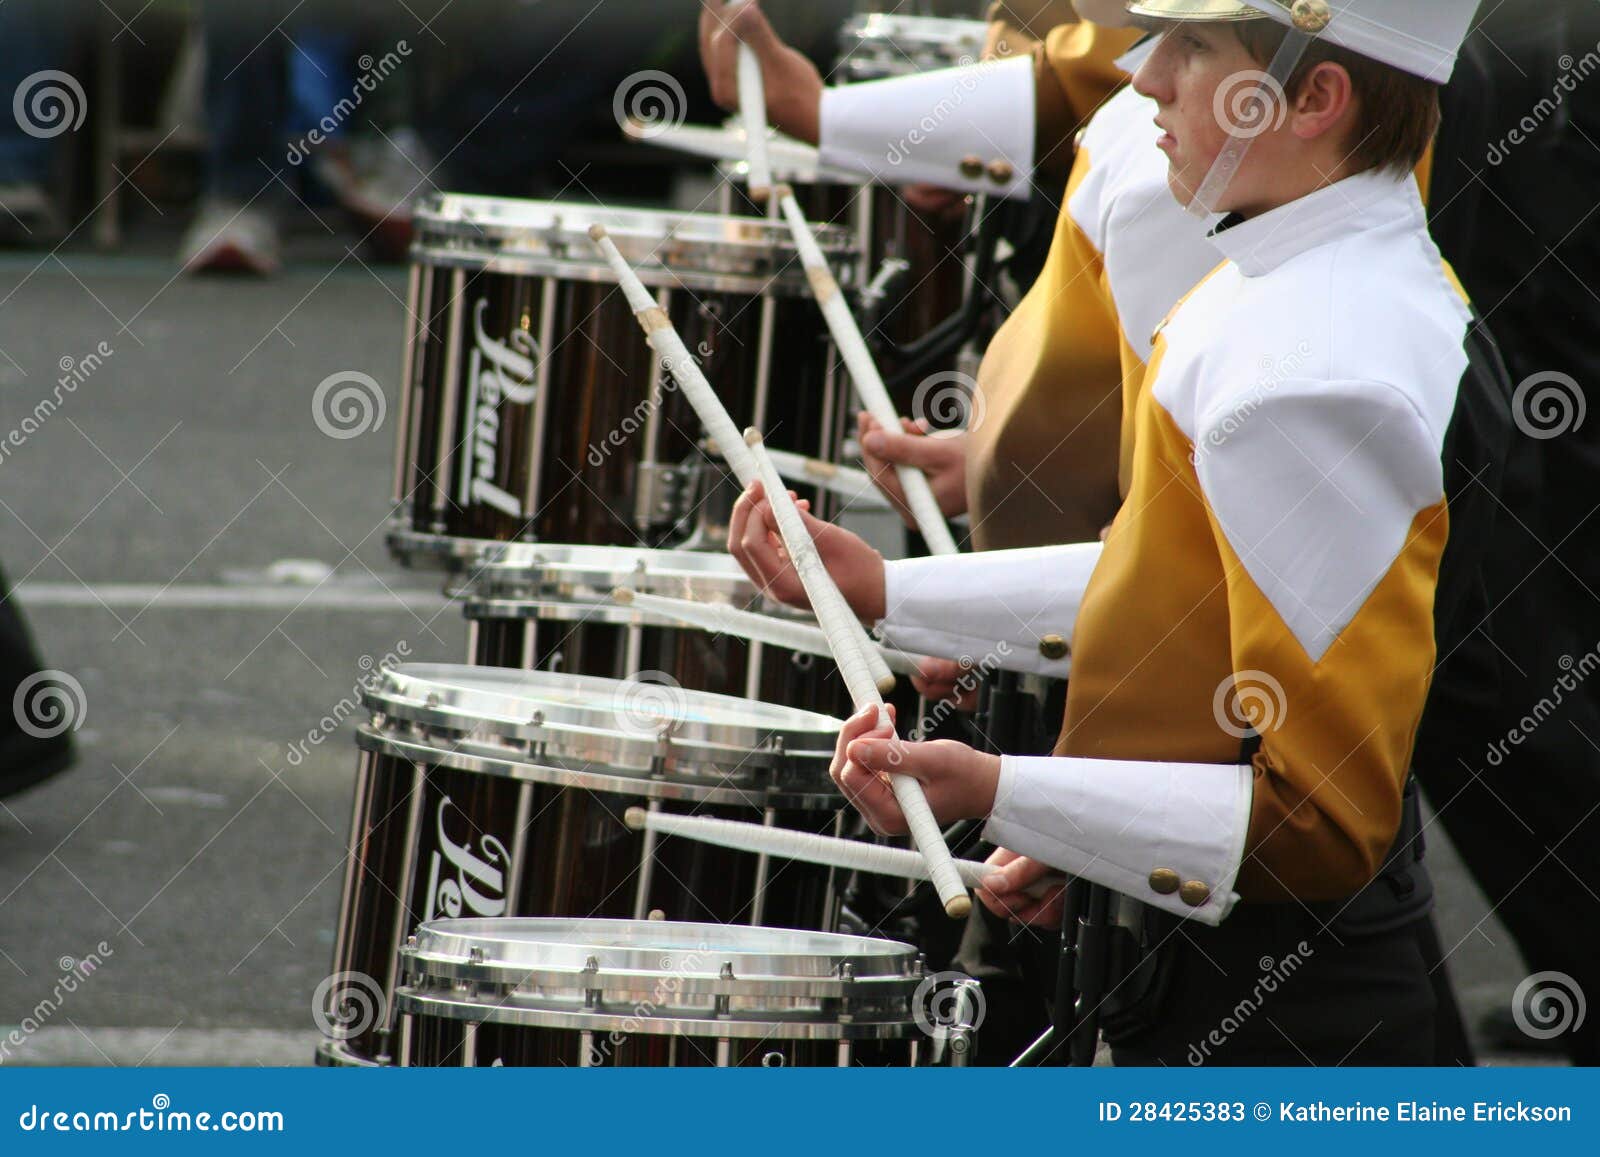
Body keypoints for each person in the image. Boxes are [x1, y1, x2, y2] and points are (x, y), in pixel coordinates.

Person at [729, 0, 1483, 1065]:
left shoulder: (1306, 371)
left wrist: (1002, 790)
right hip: (1236, 962)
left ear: (1314, 98)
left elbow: (1317, 818)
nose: (1140, 77)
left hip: (1279, 1010)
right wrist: (889, 597)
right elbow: (1171, 590)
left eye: (1192, 48)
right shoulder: (1284, 268)